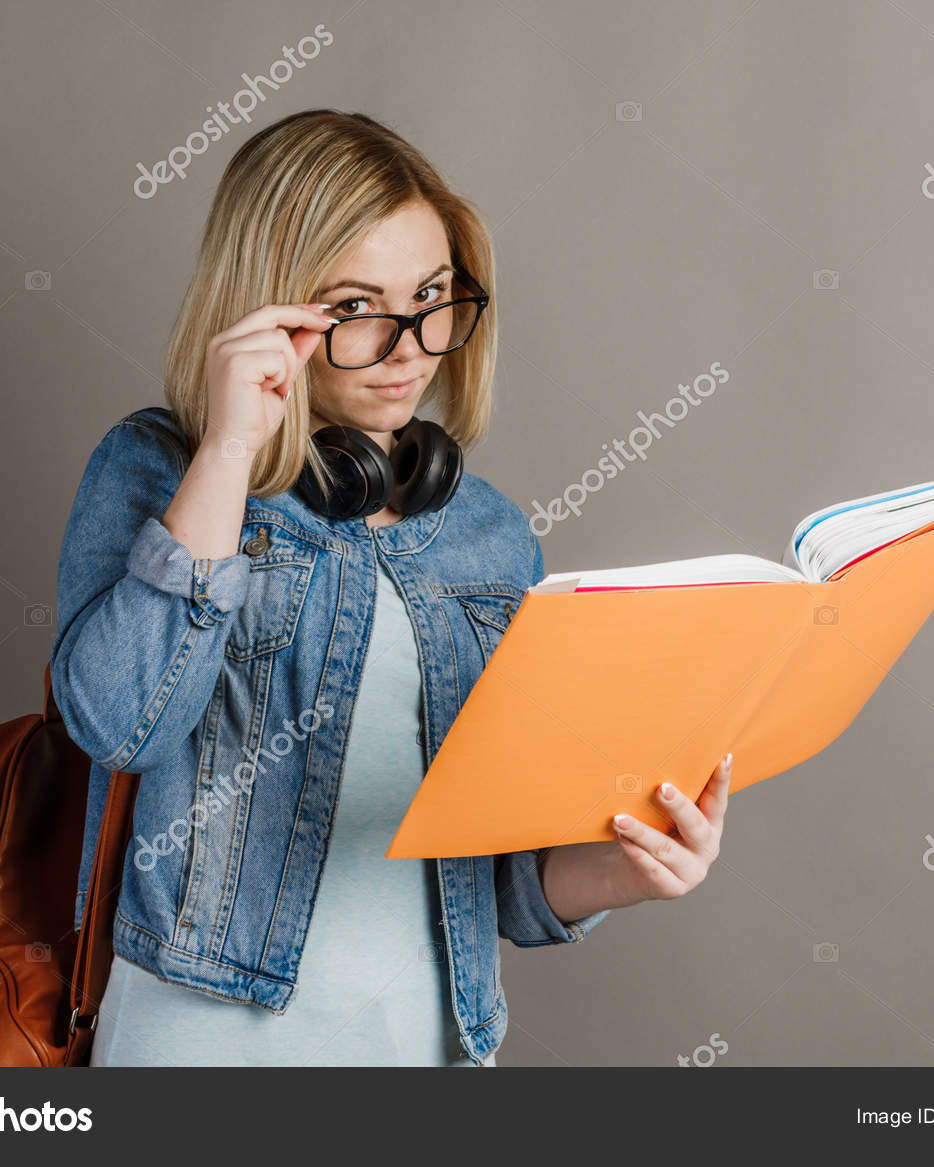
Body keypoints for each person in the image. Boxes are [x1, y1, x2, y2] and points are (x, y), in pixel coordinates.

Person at [51, 109, 732, 1066]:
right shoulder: (163, 472)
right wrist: (232, 450)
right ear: (269, 310)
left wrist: (626, 868)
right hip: (201, 1042)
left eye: (432, 297)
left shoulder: (488, 536)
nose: (409, 346)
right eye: (354, 308)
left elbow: (498, 879)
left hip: (434, 1047)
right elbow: (120, 725)